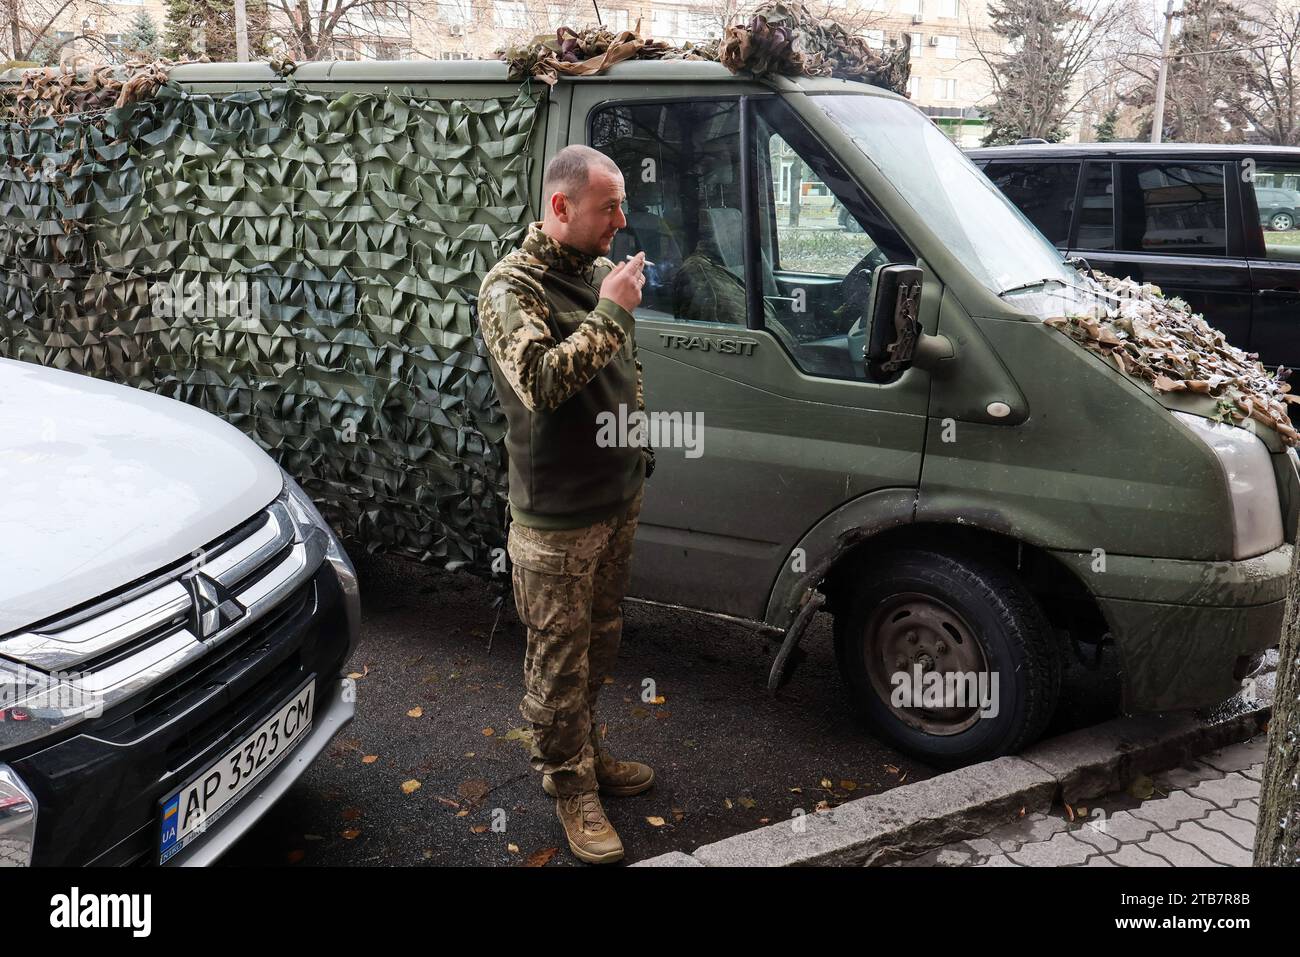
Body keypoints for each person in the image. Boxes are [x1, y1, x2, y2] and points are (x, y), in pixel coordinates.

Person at [476, 144, 656, 865]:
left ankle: (586, 753)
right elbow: (543, 382)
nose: (621, 217)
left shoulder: (585, 274)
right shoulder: (508, 288)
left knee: (601, 642)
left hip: (614, 501)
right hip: (556, 520)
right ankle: (568, 787)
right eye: (608, 205)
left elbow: (617, 376)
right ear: (561, 207)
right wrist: (613, 313)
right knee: (556, 664)